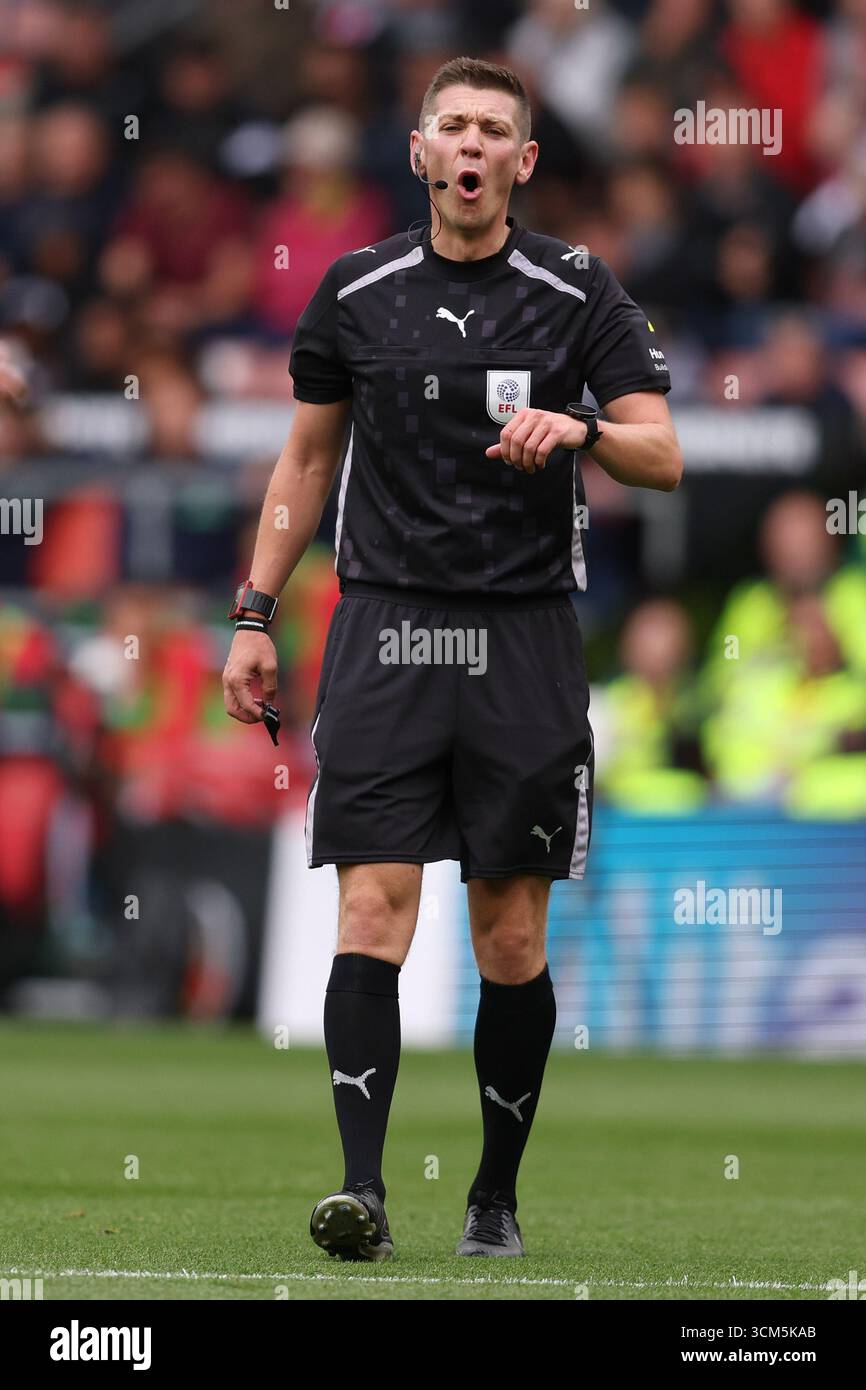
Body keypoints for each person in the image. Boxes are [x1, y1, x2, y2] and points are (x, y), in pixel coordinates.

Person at [222, 56, 681, 1261]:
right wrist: (255, 612)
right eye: (453, 127)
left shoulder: (577, 290)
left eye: (494, 132)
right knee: (371, 903)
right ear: (422, 151)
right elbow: (306, 462)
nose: (471, 147)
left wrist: (581, 429)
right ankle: (361, 1192)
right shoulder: (354, 290)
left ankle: (493, 1196)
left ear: (522, 163)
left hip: (522, 636)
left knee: (508, 936)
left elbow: (662, 452)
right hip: (381, 626)